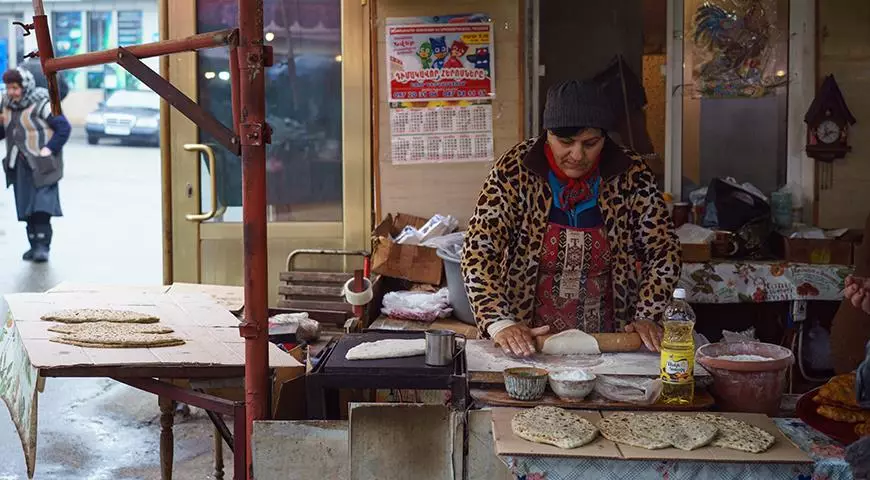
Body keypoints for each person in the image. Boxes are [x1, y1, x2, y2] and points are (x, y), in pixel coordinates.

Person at [461, 79, 681, 357]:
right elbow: (479, 251)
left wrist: (648, 313)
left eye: (591, 143)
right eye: (565, 142)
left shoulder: (631, 174)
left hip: (609, 335)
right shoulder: (514, 170)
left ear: (605, 138)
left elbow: (663, 251)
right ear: (547, 135)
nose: (577, 155)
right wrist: (499, 322)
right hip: (527, 334)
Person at [1, 67, 71, 263]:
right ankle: (33, 245)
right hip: (19, 164)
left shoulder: (42, 103)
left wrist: (49, 148)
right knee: (26, 208)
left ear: (25, 86)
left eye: (15, 87)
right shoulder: (6, 104)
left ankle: (43, 247)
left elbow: (63, 127)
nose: (12, 92)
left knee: (42, 207)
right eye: (9, 88)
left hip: (43, 164)